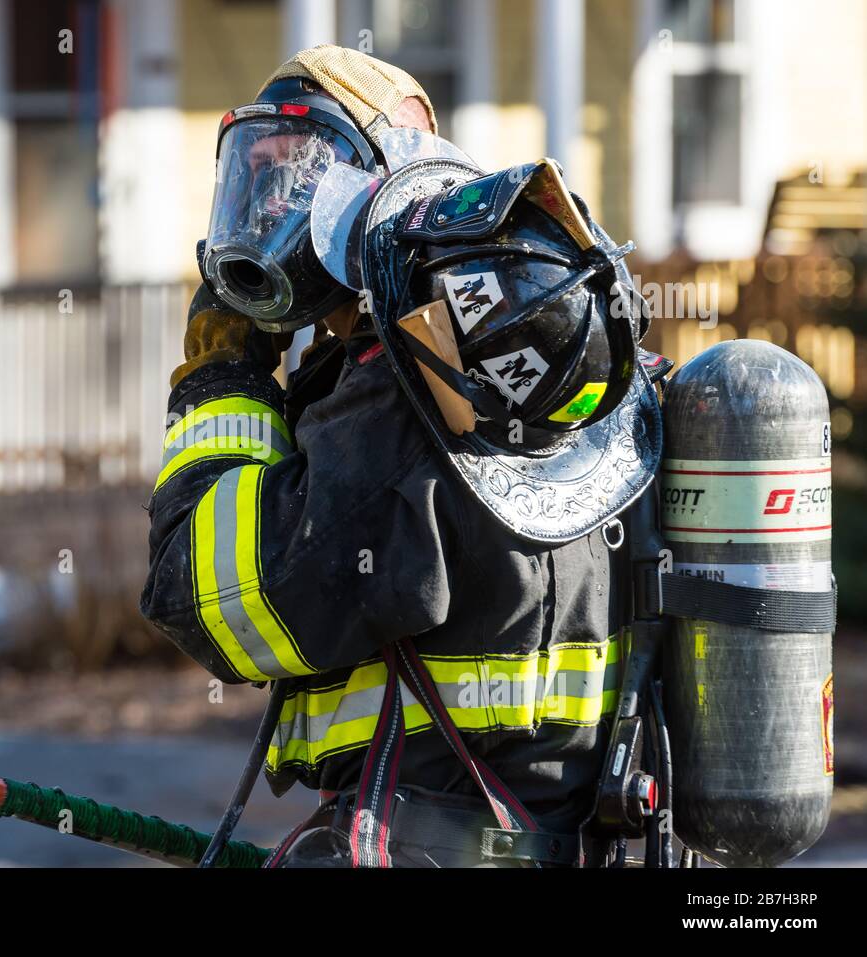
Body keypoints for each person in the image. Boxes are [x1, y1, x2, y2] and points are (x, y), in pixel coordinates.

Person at [139, 45, 665, 867]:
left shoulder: (402, 396)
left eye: (299, 178)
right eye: (257, 180)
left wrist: (224, 375)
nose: (270, 212)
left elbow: (206, 596)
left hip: (434, 838)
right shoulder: (539, 369)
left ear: (378, 192)